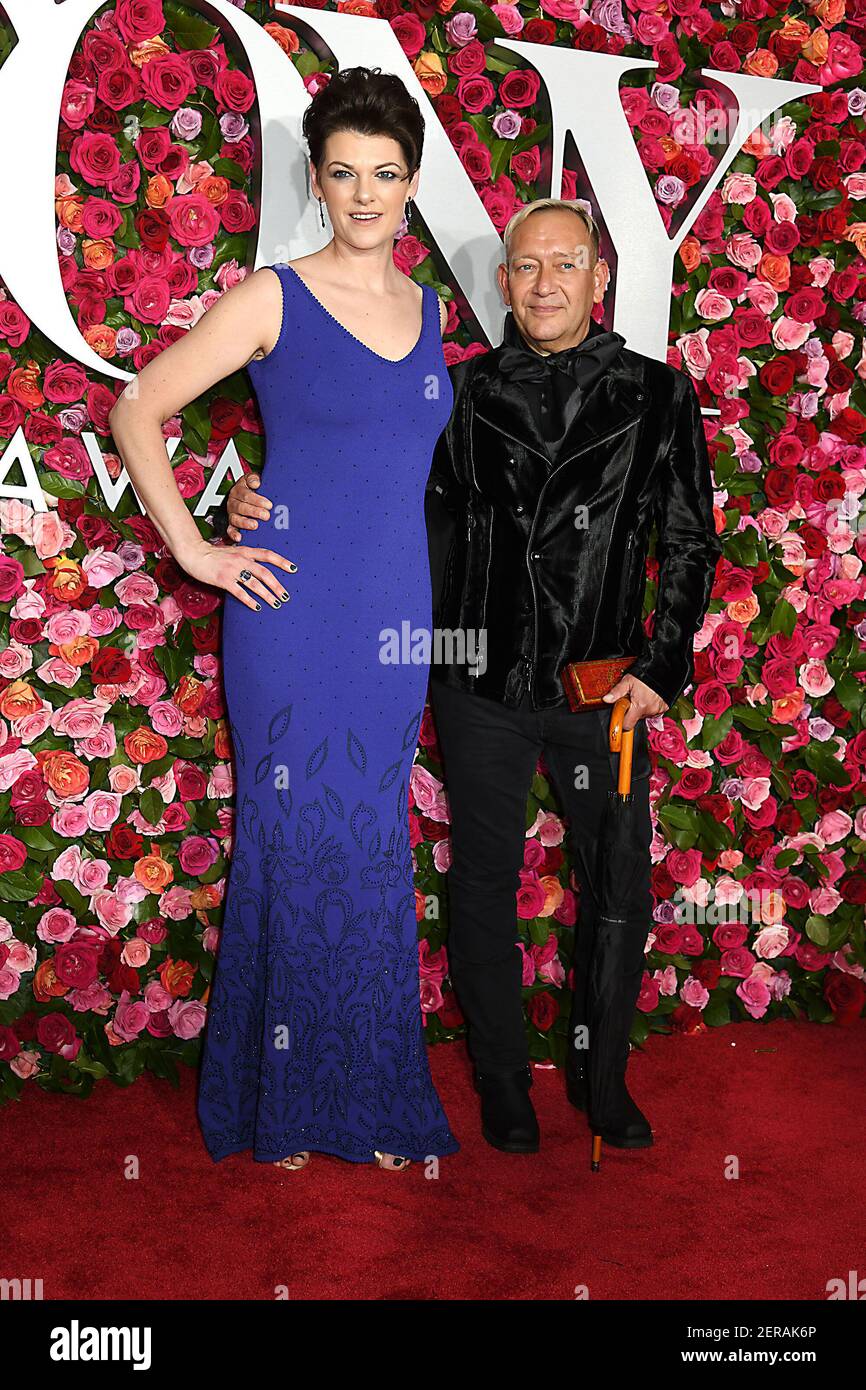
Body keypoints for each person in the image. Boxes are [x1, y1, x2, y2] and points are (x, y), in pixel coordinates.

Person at [222, 197, 722, 1159]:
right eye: (526, 268)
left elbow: (692, 540)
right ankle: (502, 1086)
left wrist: (661, 666)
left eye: (565, 265)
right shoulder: (457, 394)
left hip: (604, 680)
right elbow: (370, 489)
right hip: (474, 677)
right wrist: (259, 497)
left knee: (615, 883)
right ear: (502, 282)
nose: (545, 285)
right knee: (484, 881)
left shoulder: (660, 396)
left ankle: (603, 1080)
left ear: (598, 276)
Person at [108, 66, 459, 1174]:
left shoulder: (435, 313)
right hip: (293, 614)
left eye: (385, 174)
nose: (364, 195)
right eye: (344, 172)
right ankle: (284, 1103)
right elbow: (137, 407)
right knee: (295, 841)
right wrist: (198, 543)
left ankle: (368, 1092)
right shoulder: (271, 295)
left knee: (368, 847)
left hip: (395, 617)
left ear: (410, 187)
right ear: (315, 178)